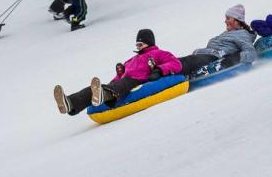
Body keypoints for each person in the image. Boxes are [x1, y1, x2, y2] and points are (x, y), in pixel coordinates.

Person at [53, 28, 183, 115]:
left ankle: (104, 95)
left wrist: (159, 70)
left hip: (140, 79)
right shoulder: (131, 60)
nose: (138, 47)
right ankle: (69, 103)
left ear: (149, 43)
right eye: (137, 44)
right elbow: (118, 80)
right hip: (124, 82)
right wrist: (119, 73)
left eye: (141, 44)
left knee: (121, 84)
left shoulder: (158, 53)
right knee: (96, 89)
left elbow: (175, 63)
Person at [176, 5, 258, 75]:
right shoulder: (227, 33)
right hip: (203, 56)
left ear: (237, 20)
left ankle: (165, 72)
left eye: (228, 18)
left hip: (212, 58)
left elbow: (251, 53)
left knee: (183, 63)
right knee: (178, 61)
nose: (225, 21)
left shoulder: (242, 34)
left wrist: (233, 58)